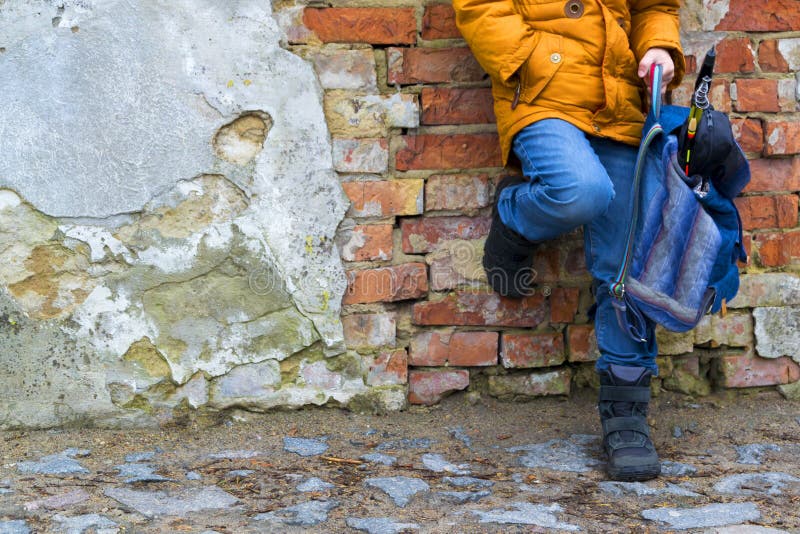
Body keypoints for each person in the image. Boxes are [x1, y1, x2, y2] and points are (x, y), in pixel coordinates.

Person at [453, 0, 685, 481]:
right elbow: (481, 7)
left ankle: (626, 414)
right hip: (544, 98)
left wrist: (659, 45)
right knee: (580, 190)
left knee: (628, 259)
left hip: (619, 102)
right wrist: (539, 61)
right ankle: (514, 214)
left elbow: (654, 6)